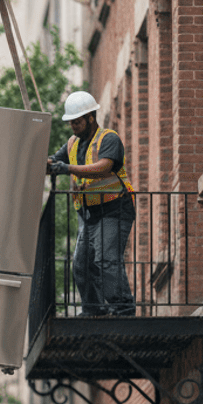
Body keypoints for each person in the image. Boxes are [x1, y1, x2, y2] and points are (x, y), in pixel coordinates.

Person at [46, 91, 136, 317]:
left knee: (106, 260)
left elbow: (104, 167)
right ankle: (94, 310)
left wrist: (66, 169)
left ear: (90, 118)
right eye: (71, 122)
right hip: (90, 214)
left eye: (77, 122)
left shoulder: (109, 139)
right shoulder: (73, 144)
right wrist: (44, 161)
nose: (73, 127)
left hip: (115, 208)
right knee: (82, 266)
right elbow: (54, 162)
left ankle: (123, 309)